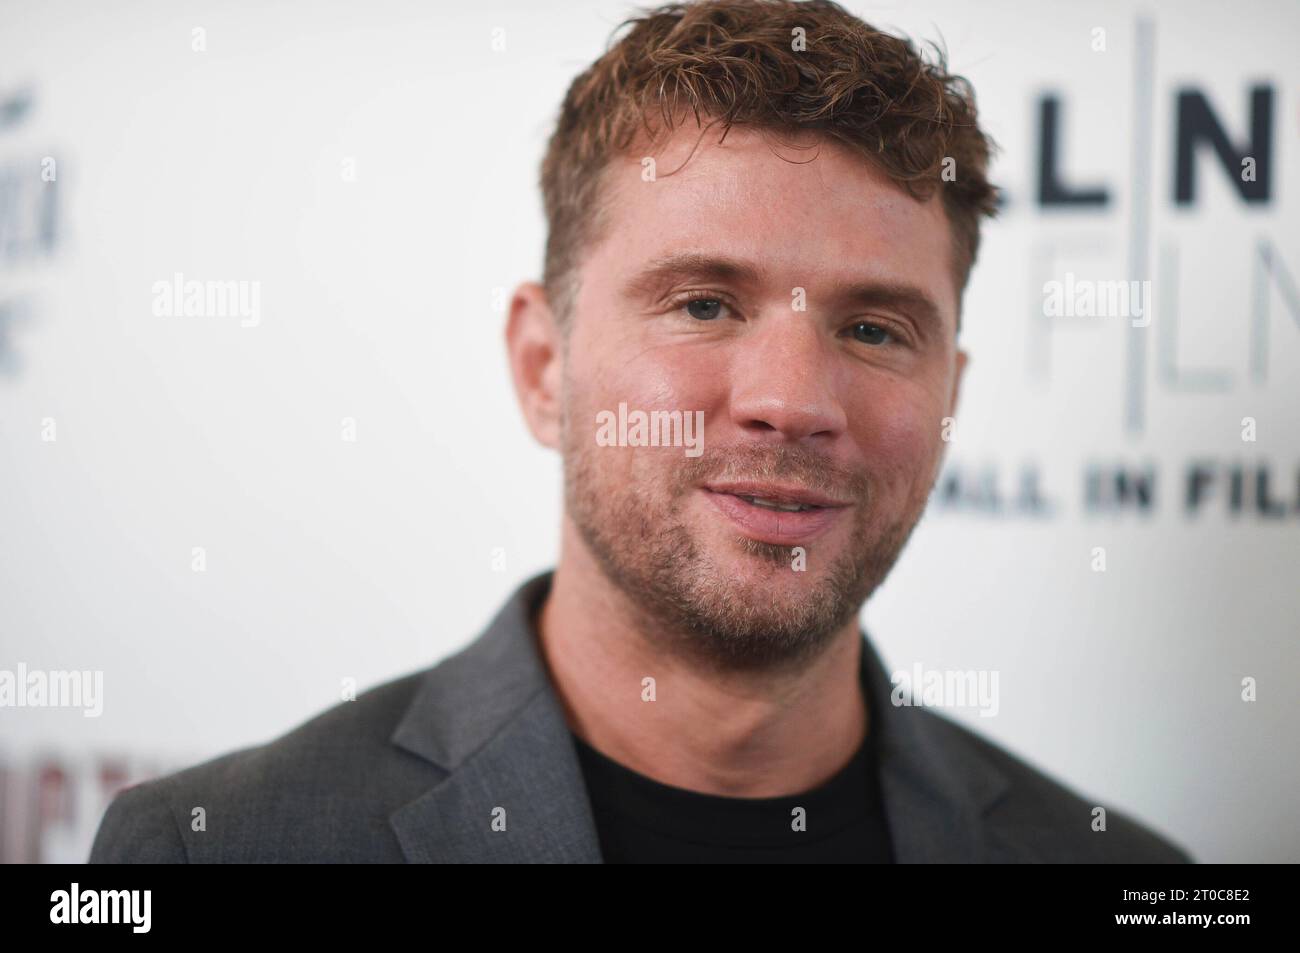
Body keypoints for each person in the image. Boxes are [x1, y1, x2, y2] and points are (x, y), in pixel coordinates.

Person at [90, 0, 1192, 863]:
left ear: (947, 394)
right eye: (704, 302)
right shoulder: (214, 850)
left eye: (871, 326)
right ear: (541, 363)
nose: (793, 399)